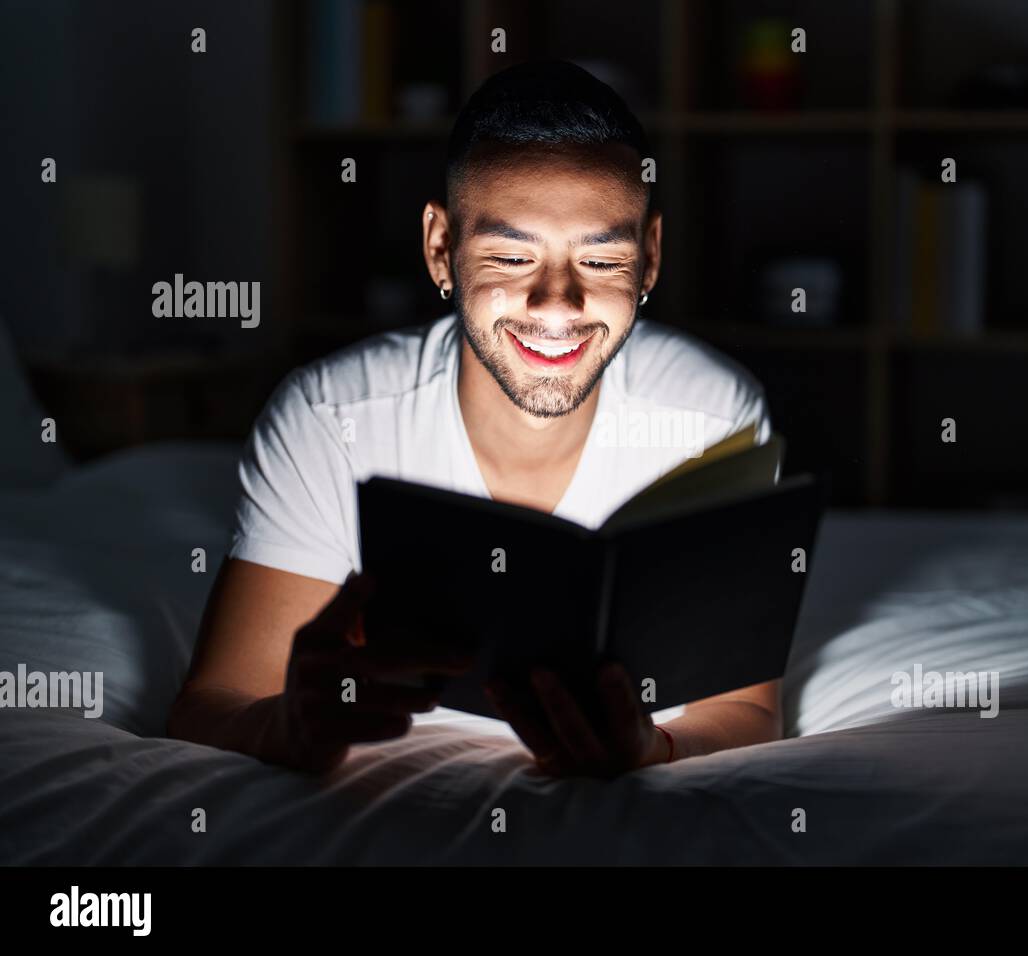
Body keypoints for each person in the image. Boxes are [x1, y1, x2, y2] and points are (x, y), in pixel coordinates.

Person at [167, 60, 779, 777]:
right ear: (440, 249)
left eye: (602, 261)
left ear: (648, 260)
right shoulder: (333, 417)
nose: (558, 304)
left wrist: (654, 748)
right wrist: (293, 724)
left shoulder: (712, 417)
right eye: (512, 256)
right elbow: (210, 708)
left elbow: (747, 711)